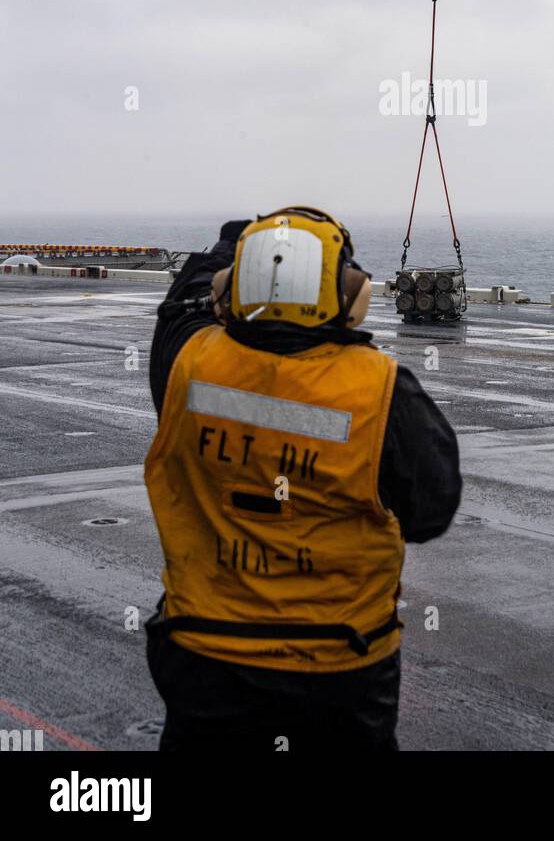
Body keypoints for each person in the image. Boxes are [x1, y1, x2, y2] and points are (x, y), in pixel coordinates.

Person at [144, 207, 461, 752]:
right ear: (348, 293)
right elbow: (432, 512)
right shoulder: (381, 391)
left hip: (204, 655)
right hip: (340, 663)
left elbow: (178, 310)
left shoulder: (188, 363)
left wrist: (231, 249)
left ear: (229, 290)